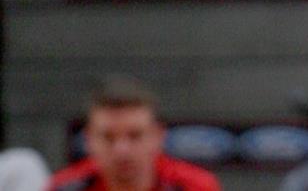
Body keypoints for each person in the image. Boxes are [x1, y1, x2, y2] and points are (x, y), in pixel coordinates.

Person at [45, 79, 219, 191]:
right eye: (108, 137)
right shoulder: (65, 187)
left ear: (158, 136)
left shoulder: (194, 187)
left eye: (135, 136)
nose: (122, 150)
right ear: (88, 139)